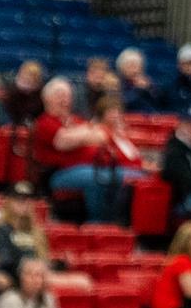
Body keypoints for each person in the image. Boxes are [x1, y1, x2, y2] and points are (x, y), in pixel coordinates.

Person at [34, 78, 138, 224]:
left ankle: (118, 223)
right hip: (59, 174)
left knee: (125, 176)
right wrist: (86, 133)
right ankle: (99, 224)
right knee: (100, 178)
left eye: (67, 95)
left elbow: (101, 135)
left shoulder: (76, 120)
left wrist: (77, 134)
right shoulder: (45, 122)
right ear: (46, 98)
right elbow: (63, 142)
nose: (64, 99)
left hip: (95, 167)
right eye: (59, 95)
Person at [0, 182, 54, 279]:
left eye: (27, 200)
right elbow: (1, 260)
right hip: (10, 278)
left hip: (35, 277)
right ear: (8, 202)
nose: (24, 203)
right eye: (18, 199)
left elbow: (43, 257)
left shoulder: (36, 231)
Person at [117, 47, 162, 112]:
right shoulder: (117, 83)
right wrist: (138, 90)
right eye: (130, 66)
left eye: (137, 66)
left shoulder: (150, 84)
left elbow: (160, 103)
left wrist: (149, 89)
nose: (134, 69)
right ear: (121, 68)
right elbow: (123, 102)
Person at [2, 61, 46, 126]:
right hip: (13, 126)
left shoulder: (42, 95)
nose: (28, 78)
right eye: (25, 74)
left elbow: (41, 116)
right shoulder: (11, 92)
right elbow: (6, 115)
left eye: (32, 75)